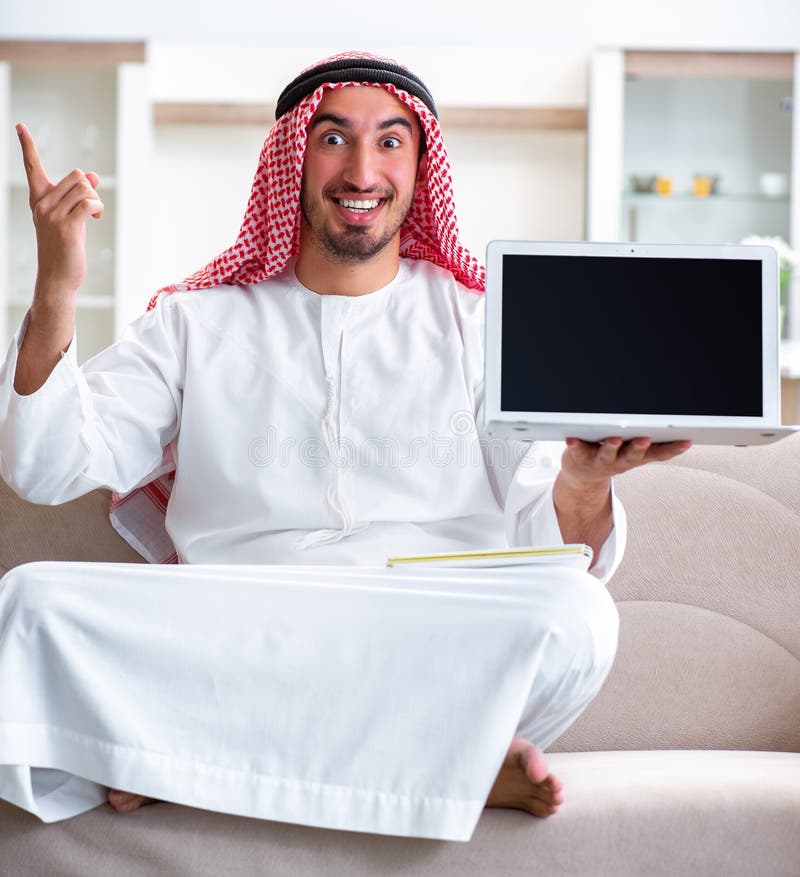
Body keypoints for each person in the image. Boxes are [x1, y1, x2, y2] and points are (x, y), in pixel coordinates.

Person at [0, 52, 690, 838]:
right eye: (334, 138)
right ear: (291, 161)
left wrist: (584, 479)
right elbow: (45, 465)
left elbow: (550, 537)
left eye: (391, 142)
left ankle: (188, 757)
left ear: (420, 167)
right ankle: (446, 763)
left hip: (420, 625)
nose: (362, 169)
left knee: (579, 613)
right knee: (32, 602)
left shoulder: (480, 327)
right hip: (244, 621)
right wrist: (57, 283)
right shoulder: (196, 322)